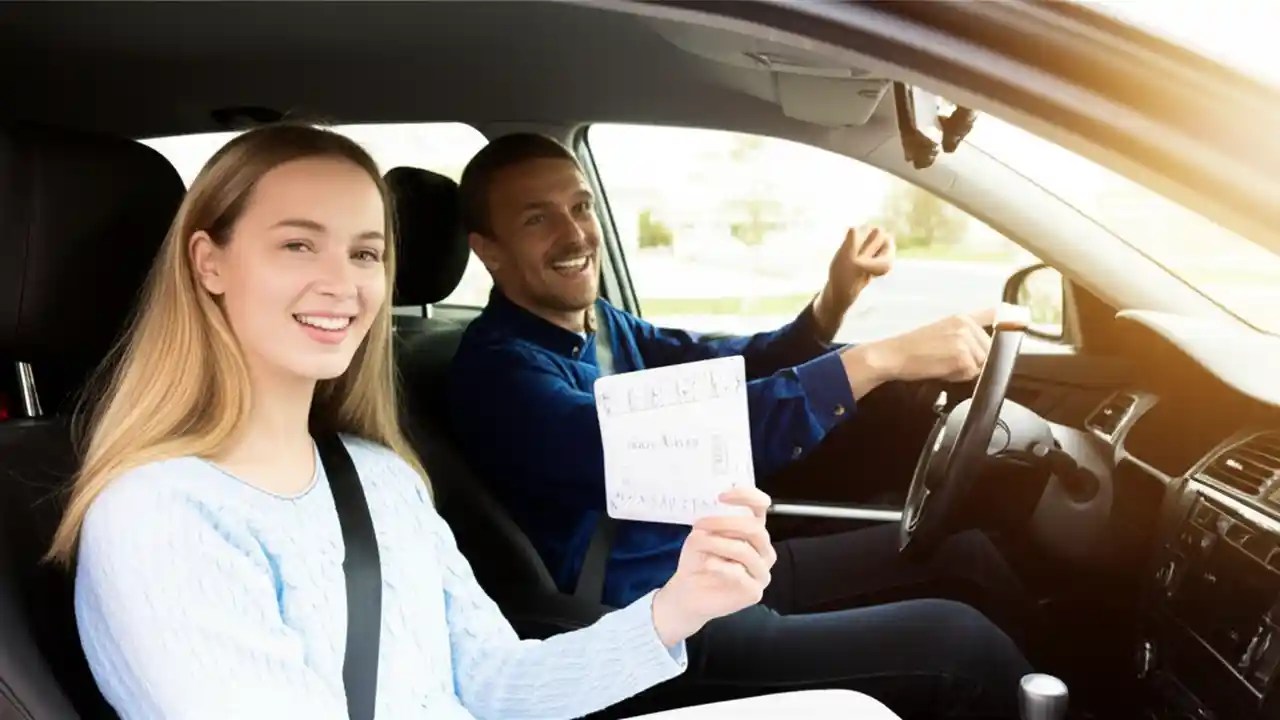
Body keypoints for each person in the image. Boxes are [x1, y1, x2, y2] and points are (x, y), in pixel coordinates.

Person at [46, 123, 786, 720]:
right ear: (209, 262)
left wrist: (677, 606)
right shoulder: (159, 513)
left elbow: (495, 682)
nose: (341, 283)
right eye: (298, 244)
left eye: (364, 253)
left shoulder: (380, 475)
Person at [447, 133, 1033, 719]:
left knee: (965, 554)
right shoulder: (498, 376)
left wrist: (832, 302)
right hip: (654, 622)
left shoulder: (599, 324)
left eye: (580, 207)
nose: (574, 233)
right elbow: (686, 442)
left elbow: (726, 369)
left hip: (711, 565)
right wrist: (879, 359)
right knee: (960, 649)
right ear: (488, 250)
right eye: (537, 219)